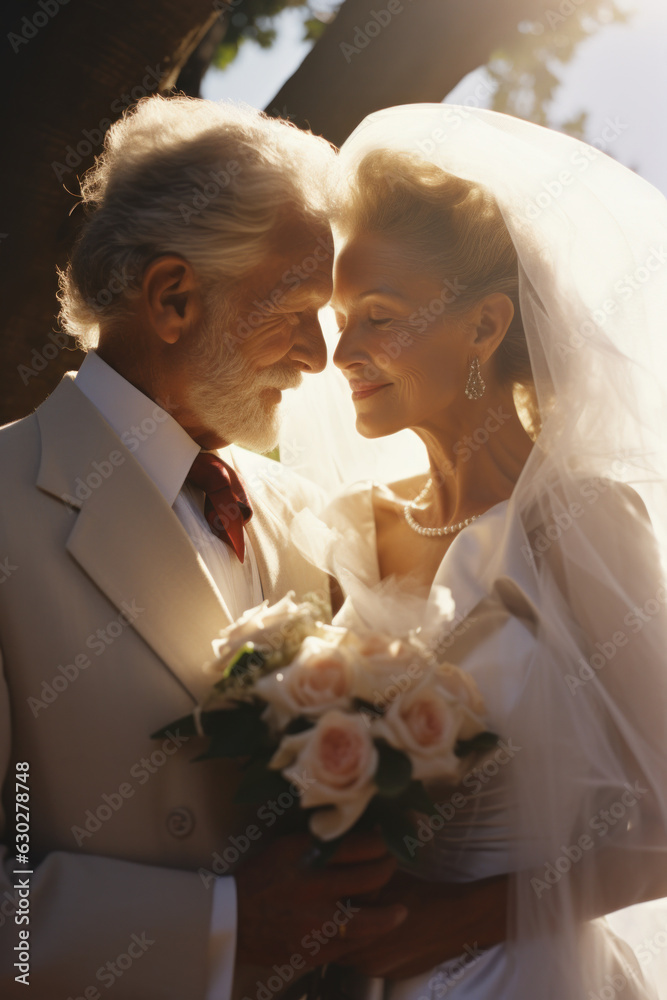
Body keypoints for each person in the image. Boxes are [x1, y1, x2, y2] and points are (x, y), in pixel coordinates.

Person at [0, 95, 408, 1000]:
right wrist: (221, 925)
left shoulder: (313, 517)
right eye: (298, 309)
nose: (317, 358)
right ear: (172, 299)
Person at [281, 104, 667, 998]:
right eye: (340, 316)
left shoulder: (576, 523)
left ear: (486, 326)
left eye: (377, 315)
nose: (342, 352)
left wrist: (449, 926)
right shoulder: (344, 528)